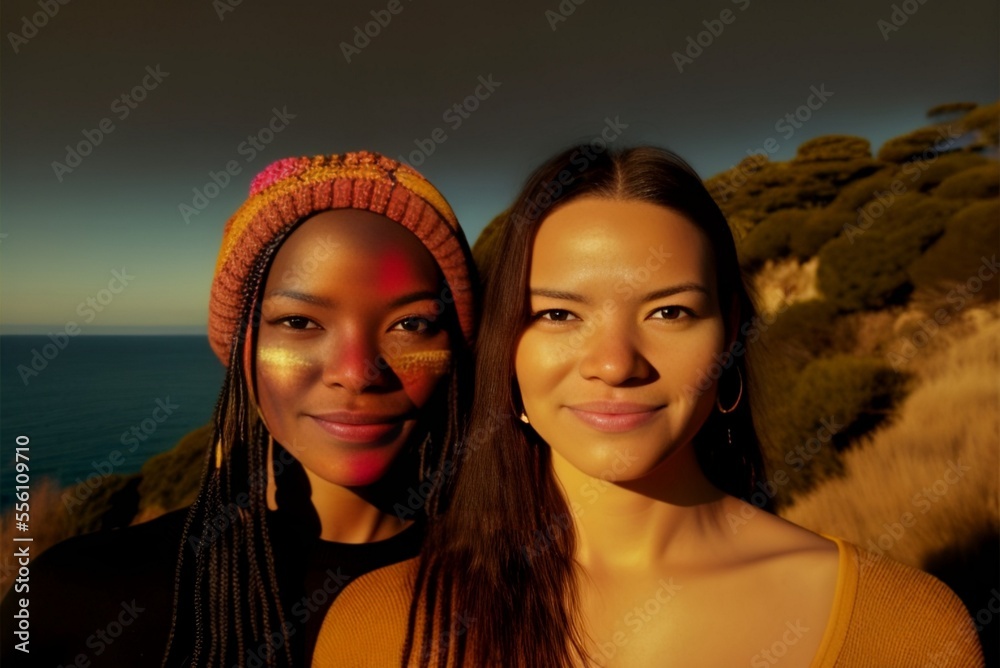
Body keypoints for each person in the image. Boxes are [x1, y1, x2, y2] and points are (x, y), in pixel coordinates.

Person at [313, 146, 984, 667]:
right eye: (557, 313)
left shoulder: (903, 627)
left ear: (730, 340)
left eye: (669, 310)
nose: (614, 361)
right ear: (507, 356)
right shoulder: (381, 626)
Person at [0, 151, 477, 667]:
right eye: (298, 323)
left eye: (411, 325)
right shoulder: (69, 595)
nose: (357, 372)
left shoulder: (519, 592)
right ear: (241, 349)